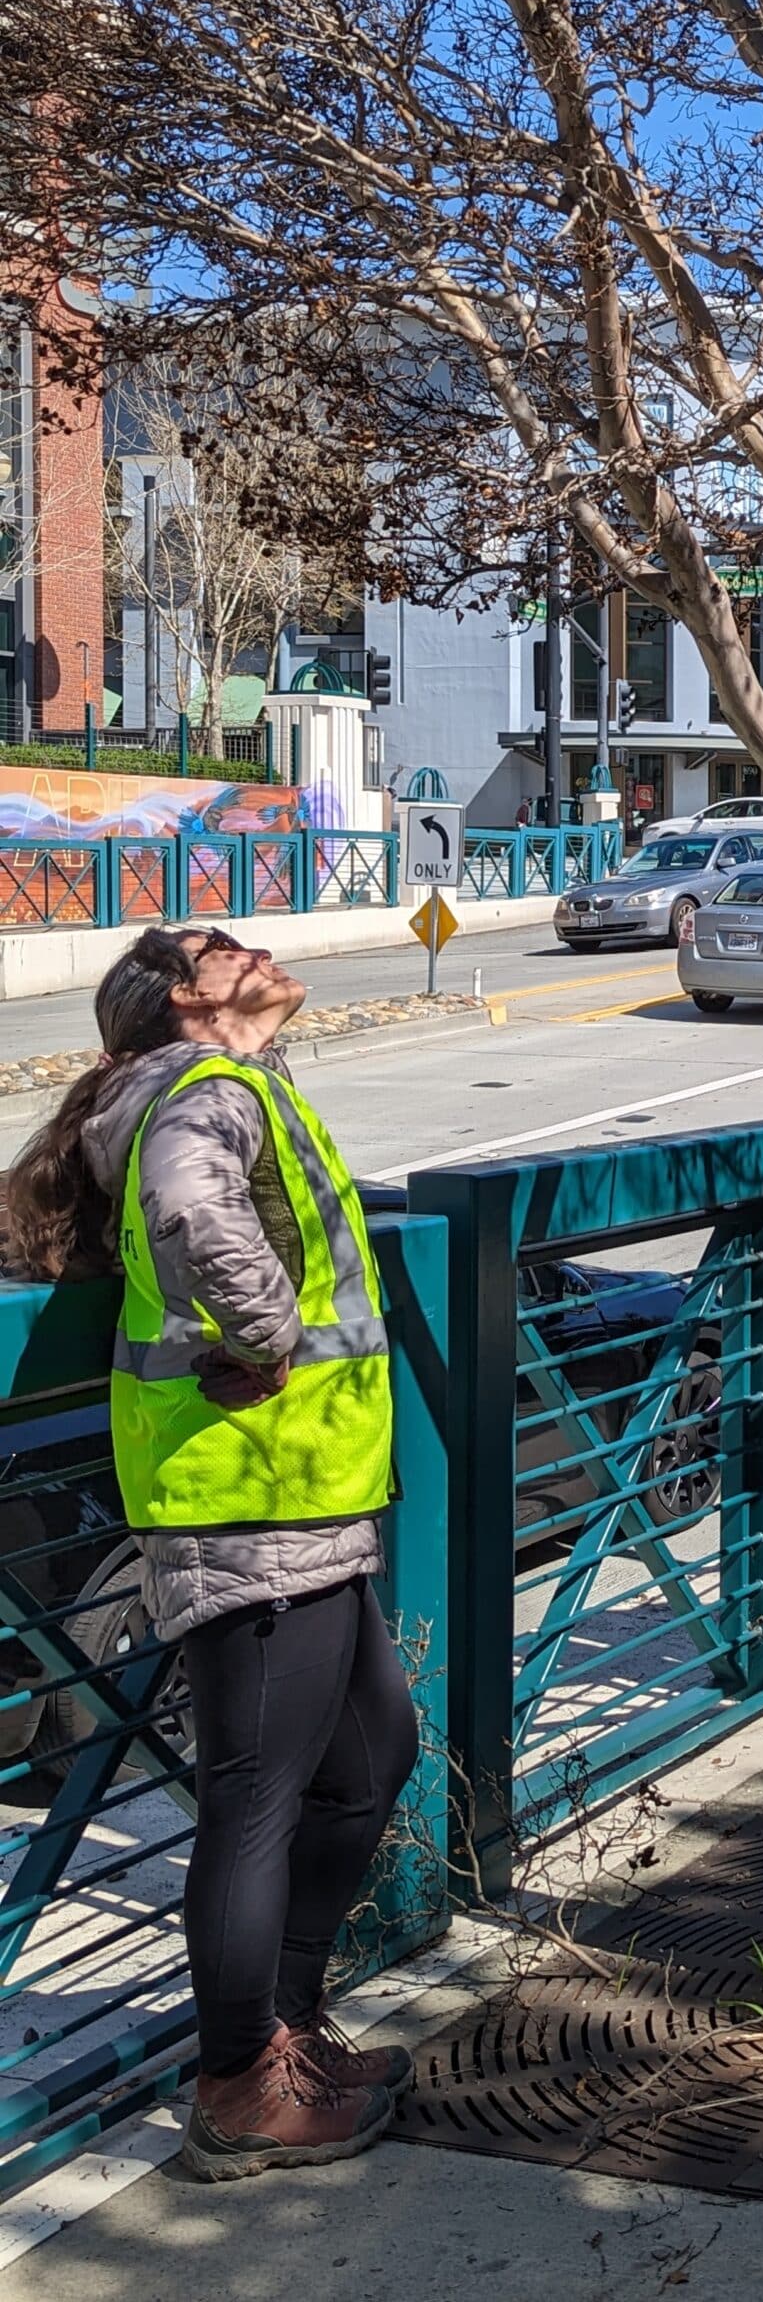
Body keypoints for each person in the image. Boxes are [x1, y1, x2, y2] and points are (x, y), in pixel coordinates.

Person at [5, 928, 418, 2179]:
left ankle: (285, 2031)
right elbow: (191, 1208)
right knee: (257, 1795)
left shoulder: (227, 1085)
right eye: (223, 947)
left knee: (370, 1759)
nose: (256, 949)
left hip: (305, 1488)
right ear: (187, 999)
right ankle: (239, 2086)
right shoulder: (200, 1087)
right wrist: (268, 1332)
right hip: (245, 1488)